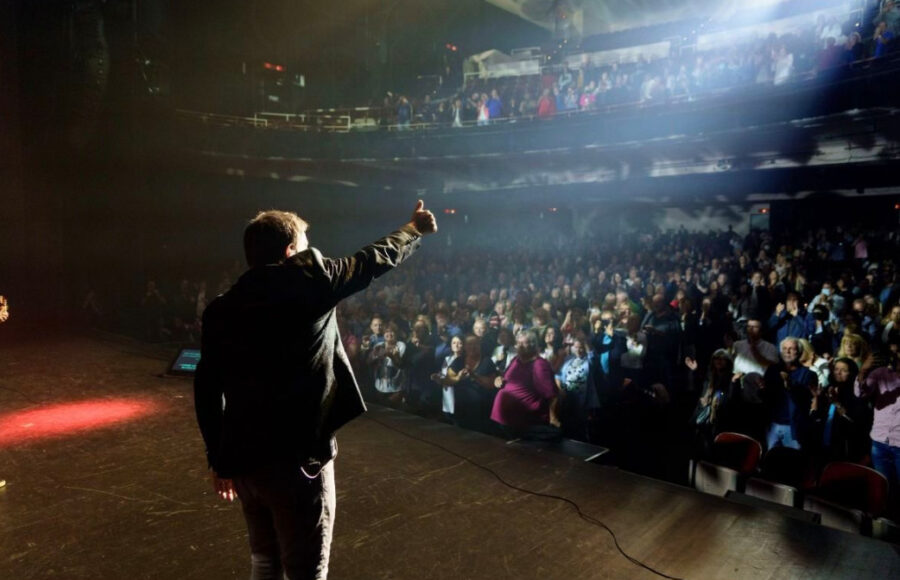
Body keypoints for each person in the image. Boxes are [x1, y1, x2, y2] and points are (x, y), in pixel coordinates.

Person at [194, 201, 437, 580]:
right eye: (306, 245)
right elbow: (372, 259)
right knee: (307, 570)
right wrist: (413, 230)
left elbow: (207, 388)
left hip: (244, 462)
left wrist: (219, 458)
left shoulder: (221, 308)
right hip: (296, 464)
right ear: (291, 252)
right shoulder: (312, 285)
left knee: (264, 561)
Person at [491, 330, 559, 437]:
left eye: (524, 343)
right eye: (518, 343)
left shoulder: (539, 365)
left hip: (524, 420)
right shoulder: (516, 360)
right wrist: (498, 379)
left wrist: (553, 416)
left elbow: (551, 395)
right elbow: (505, 377)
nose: (520, 346)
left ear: (533, 345)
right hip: (505, 418)